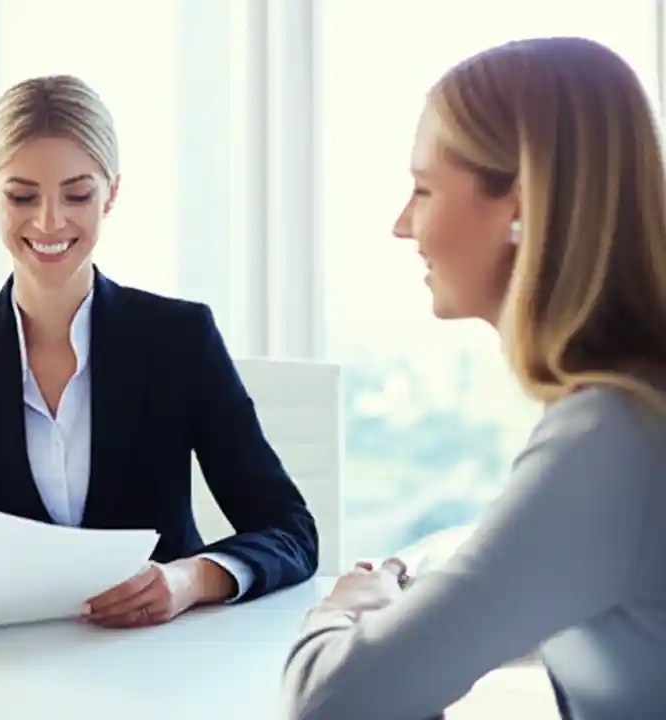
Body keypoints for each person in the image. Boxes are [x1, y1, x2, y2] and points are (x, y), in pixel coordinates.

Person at [0, 74, 319, 650]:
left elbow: (288, 529)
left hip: (164, 657)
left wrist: (189, 579)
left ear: (111, 194)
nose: (50, 221)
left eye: (77, 195)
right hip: (8, 660)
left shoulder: (179, 339)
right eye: (23, 196)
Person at [282, 37, 666, 719]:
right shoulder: (633, 407)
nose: (403, 226)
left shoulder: (609, 433)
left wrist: (346, 610)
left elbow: (334, 701)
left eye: (424, 190)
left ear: (521, 204)